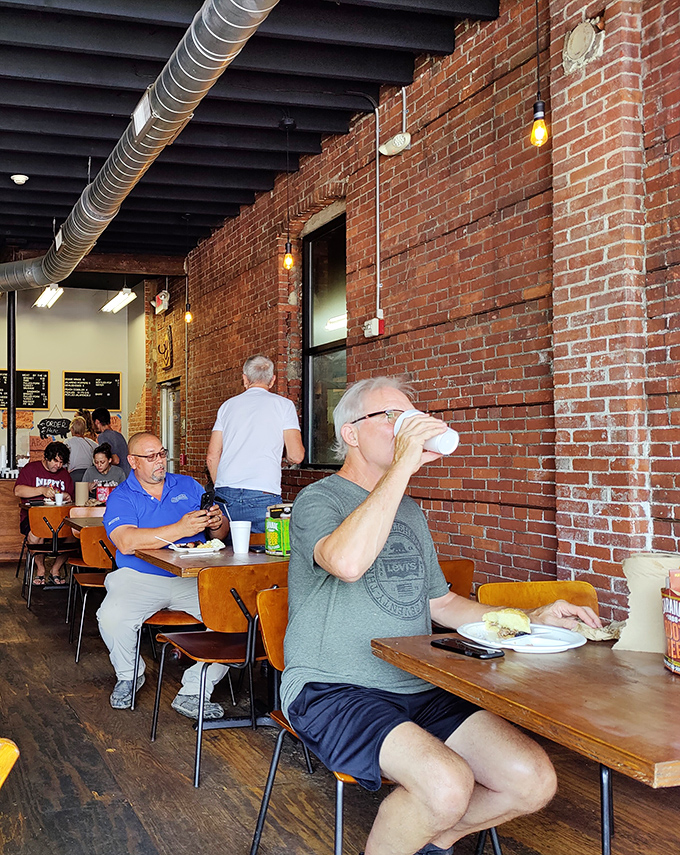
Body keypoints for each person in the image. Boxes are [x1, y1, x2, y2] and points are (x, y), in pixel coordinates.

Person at [280, 377, 602, 855]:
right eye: (392, 417)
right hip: (330, 685)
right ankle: (427, 826)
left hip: (417, 683)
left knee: (532, 780)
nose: (407, 426)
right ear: (350, 432)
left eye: (410, 416)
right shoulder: (319, 500)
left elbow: (442, 604)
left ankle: (432, 838)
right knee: (447, 784)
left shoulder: (408, 509)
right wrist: (405, 464)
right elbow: (347, 564)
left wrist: (529, 617)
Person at [97, 432, 230, 716]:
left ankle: (195, 690)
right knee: (111, 616)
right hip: (138, 578)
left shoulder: (188, 485)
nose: (160, 461)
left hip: (193, 577)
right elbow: (126, 542)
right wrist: (180, 529)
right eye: (151, 456)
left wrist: (218, 522)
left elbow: (219, 533)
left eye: (162, 453)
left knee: (238, 618)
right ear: (133, 461)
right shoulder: (121, 497)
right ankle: (129, 674)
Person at [206, 355, 304, 532]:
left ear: (245, 378)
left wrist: (221, 485)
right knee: (266, 555)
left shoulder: (227, 406)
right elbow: (296, 455)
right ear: (273, 380)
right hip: (263, 492)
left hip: (226, 492)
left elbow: (212, 456)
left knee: (224, 554)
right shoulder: (284, 405)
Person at [14, 441, 75, 586]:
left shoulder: (65, 475)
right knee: (35, 535)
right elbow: (17, 491)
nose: (58, 465)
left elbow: (71, 499)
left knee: (75, 535)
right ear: (46, 457)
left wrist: (66, 495)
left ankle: (55, 569)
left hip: (59, 519)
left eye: (61, 462)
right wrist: (41, 490)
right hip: (32, 518)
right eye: (55, 461)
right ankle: (40, 570)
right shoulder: (31, 469)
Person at [91, 407, 130, 477]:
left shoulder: (102, 436)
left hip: (118, 478)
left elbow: (115, 460)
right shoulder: (119, 435)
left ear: (97, 422)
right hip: (127, 475)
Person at [66, 416, 97, 482]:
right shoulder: (91, 443)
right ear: (84, 430)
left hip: (73, 474)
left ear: (72, 429)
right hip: (89, 474)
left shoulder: (68, 442)